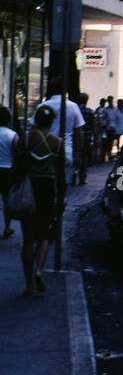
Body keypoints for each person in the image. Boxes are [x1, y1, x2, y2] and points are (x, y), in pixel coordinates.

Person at [20, 104, 66, 295]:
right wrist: (62, 197)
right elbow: (61, 175)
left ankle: (29, 284)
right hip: (47, 191)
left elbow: (19, 165)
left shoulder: (26, 139)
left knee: (28, 239)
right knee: (43, 236)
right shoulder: (58, 143)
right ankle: (39, 270)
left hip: (29, 190)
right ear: (52, 121)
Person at [41, 78, 86, 186]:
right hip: (67, 152)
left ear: (51, 89)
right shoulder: (73, 107)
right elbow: (79, 133)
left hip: (45, 153)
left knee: (46, 186)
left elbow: (34, 130)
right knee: (63, 186)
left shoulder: (43, 107)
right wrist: (78, 155)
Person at [0, 105, 19, 239]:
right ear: (8, 120)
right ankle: (7, 227)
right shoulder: (12, 135)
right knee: (7, 200)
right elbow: (17, 155)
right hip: (7, 170)